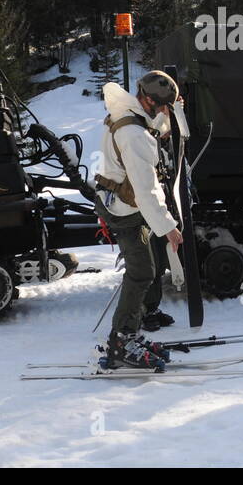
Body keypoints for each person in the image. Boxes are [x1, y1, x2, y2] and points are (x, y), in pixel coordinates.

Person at [93, 70, 185, 367]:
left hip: (120, 201)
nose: (163, 112)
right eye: (161, 107)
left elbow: (151, 127)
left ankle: (127, 332)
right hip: (126, 211)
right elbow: (146, 191)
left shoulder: (127, 113)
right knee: (143, 271)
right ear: (147, 99)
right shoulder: (134, 136)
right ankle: (121, 339)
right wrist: (169, 227)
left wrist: (167, 114)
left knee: (145, 268)